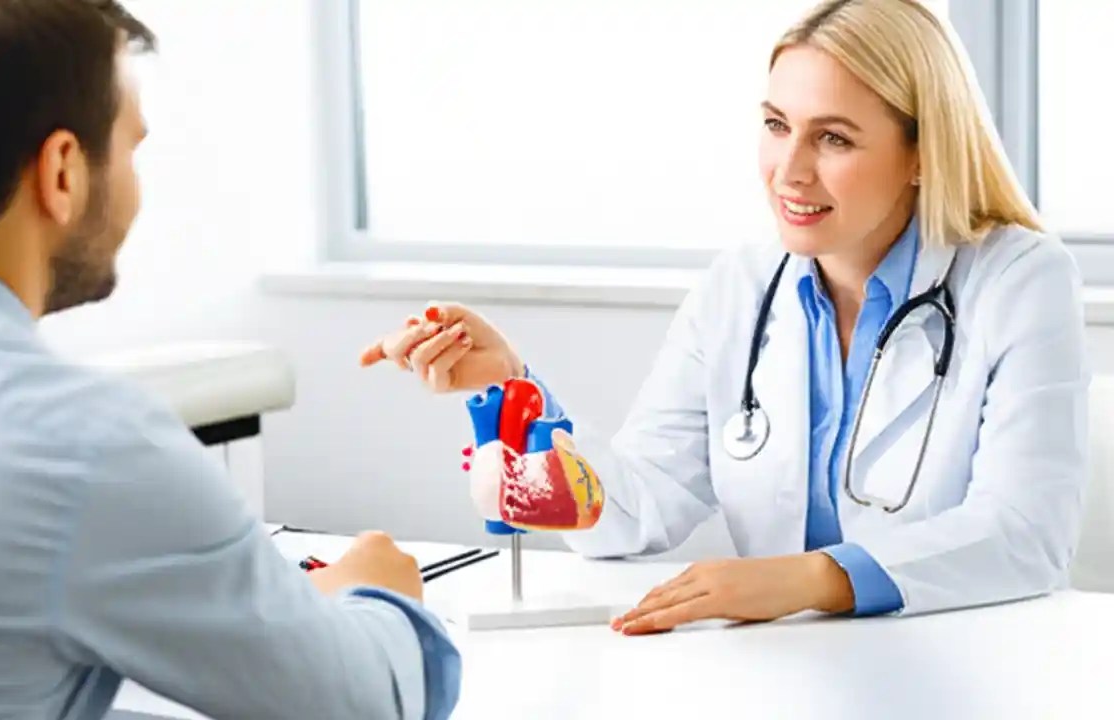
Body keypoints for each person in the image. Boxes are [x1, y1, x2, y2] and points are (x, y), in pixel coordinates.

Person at [362, 0, 1088, 635]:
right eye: (777, 125)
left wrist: (804, 579)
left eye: (833, 138)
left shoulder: (1019, 280)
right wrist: (520, 392)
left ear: (923, 154)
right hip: (785, 669)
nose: (789, 170)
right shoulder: (741, 285)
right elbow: (643, 502)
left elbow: (1023, 535)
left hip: (965, 669)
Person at [0, 1, 458, 718]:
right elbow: (365, 705)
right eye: (132, 149)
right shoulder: (80, 444)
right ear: (62, 171)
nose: (136, 187)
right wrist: (378, 596)